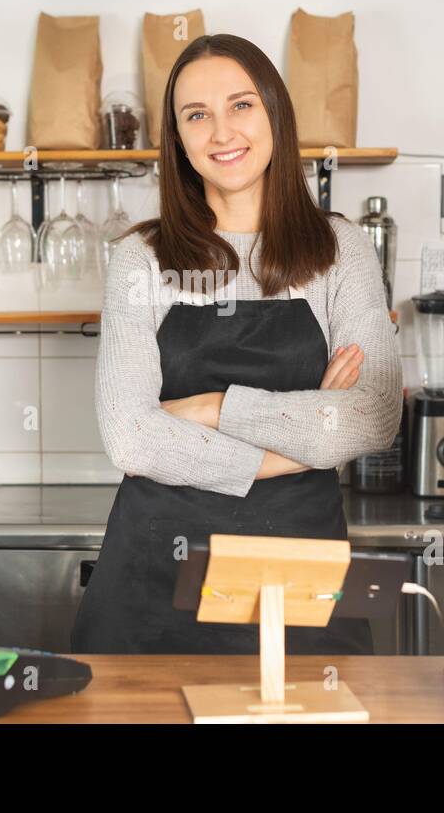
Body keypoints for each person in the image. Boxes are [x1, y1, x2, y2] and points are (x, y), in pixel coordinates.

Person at [70, 33, 401, 655]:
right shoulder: (142, 258)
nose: (222, 132)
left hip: (296, 567)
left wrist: (211, 407)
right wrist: (305, 446)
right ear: (178, 139)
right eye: (197, 115)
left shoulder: (340, 249)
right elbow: (129, 436)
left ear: (275, 112)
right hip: (155, 573)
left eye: (241, 105)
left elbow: (373, 414)